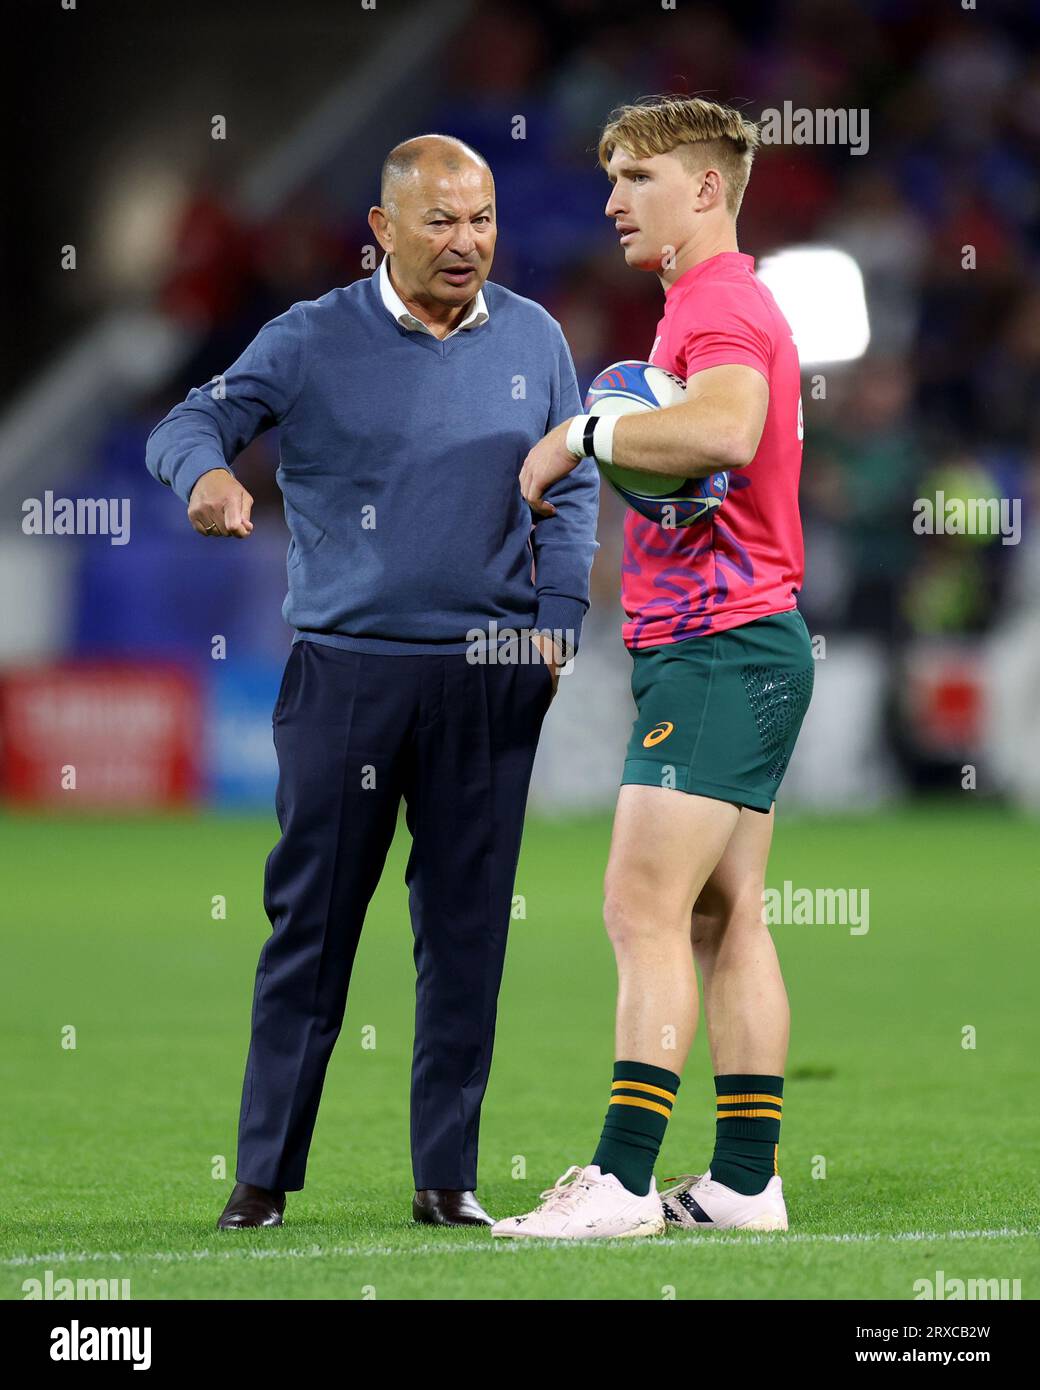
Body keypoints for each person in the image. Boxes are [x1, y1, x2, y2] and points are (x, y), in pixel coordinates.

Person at [145, 135, 599, 1230]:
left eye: (482, 217)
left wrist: (555, 624)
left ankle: (446, 1179)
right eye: (440, 220)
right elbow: (188, 418)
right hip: (345, 674)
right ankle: (262, 1179)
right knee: (310, 928)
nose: (466, 241)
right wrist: (203, 475)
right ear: (381, 232)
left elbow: (572, 481)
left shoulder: (535, 336)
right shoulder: (307, 338)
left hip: (490, 676)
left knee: (466, 934)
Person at [493, 96, 812, 1239]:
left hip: (720, 647)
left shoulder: (718, 301)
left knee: (640, 907)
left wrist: (583, 432)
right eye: (610, 179)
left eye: (636, 177)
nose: (614, 200)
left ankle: (622, 1180)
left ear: (707, 190)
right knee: (728, 917)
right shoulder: (712, 302)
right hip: (747, 639)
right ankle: (742, 1178)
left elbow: (725, 430)